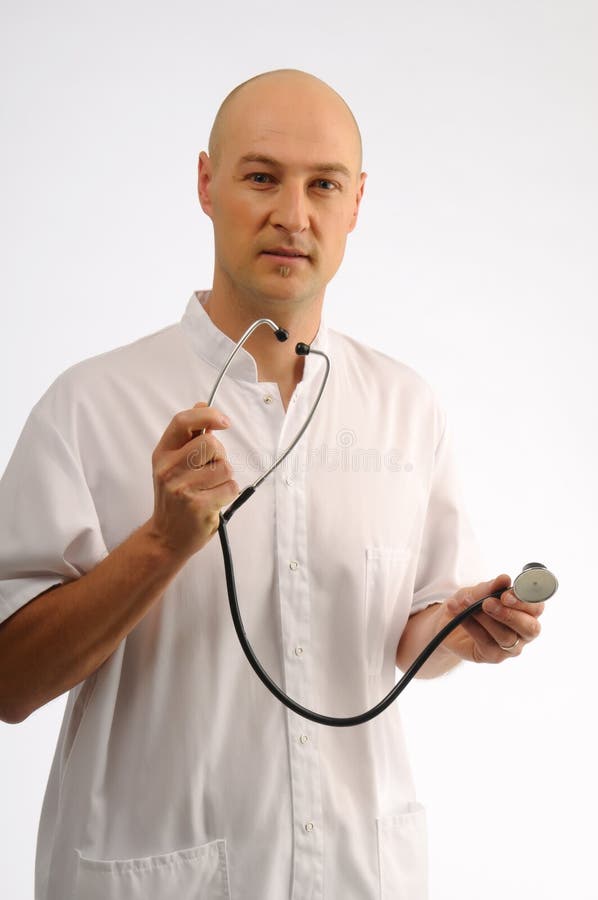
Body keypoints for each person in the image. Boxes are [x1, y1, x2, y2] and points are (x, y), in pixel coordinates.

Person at [0, 69, 544, 900]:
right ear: (206, 184)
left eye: (323, 185)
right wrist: (160, 546)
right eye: (261, 177)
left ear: (356, 203)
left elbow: (403, 638)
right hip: (153, 875)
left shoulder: (406, 407)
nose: (294, 215)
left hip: (362, 877)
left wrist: (456, 633)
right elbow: (9, 684)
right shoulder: (91, 404)